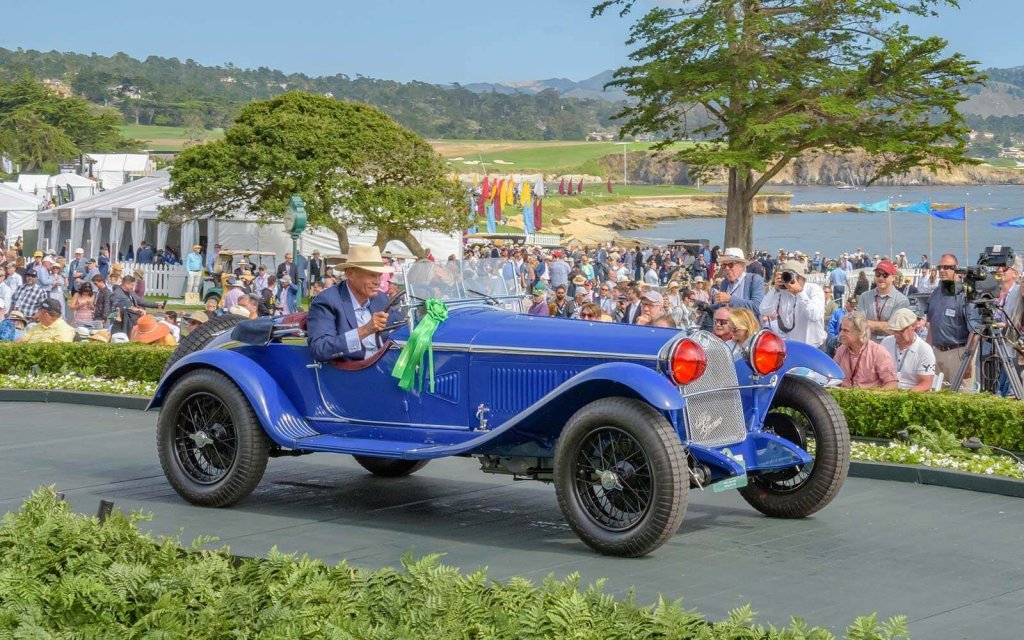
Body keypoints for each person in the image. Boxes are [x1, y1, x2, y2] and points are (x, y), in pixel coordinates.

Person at [306, 245, 402, 362]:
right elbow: (319, 349)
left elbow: (401, 324)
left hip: (386, 368)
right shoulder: (327, 301)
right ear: (350, 274)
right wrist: (365, 330)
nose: (377, 282)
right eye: (372, 274)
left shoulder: (381, 299)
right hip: (349, 375)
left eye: (379, 275)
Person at [921, 253, 976, 391]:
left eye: (947, 267)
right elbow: (931, 326)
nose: (942, 270)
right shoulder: (935, 293)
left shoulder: (965, 295)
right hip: (937, 352)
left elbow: (974, 332)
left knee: (961, 399)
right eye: (940, 267)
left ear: (956, 269)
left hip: (958, 352)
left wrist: (968, 360)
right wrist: (926, 353)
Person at [759, 259, 827, 348]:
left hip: (814, 346)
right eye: (786, 276)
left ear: (802, 278)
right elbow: (764, 310)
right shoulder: (782, 292)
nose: (789, 280)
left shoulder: (814, 289)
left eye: (792, 276)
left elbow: (815, 315)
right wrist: (775, 289)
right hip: (792, 346)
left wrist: (800, 293)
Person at [834, 311, 897, 389]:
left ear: (859, 332)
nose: (841, 334)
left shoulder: (878, 352)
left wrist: (875, 397)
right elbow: (833, 378)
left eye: (845, 330)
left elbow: (892, 383)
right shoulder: (841, 350)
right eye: (841, 329)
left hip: (870, 398)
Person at [881, 308, 936, 392]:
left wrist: (904, 396)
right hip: (888, 390)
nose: (897, 335)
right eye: (894, 331)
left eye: (901, 331)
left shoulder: (925, 350)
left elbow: (925, 384)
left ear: (913, 326)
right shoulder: (886, 342)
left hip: (912, 396)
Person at [856, 260, 910, 342]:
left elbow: (894, 328)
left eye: (885, 275)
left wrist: (868, 323)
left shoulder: (902, 300)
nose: (881, 278)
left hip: (891, 347)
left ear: (893, 277)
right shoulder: (864, 297)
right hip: (867, 345)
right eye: (878, 274)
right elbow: (858, 324)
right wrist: (884, 325)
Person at [711, 247, 765, 317]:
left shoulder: (754, 280)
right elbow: (721, 305)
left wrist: (730, 299)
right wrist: (707, 307)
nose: (727, 268)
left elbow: (758, 308)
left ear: (742, 266)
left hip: (747, 326)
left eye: (730, 265)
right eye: (724, 265)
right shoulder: (725, 282)